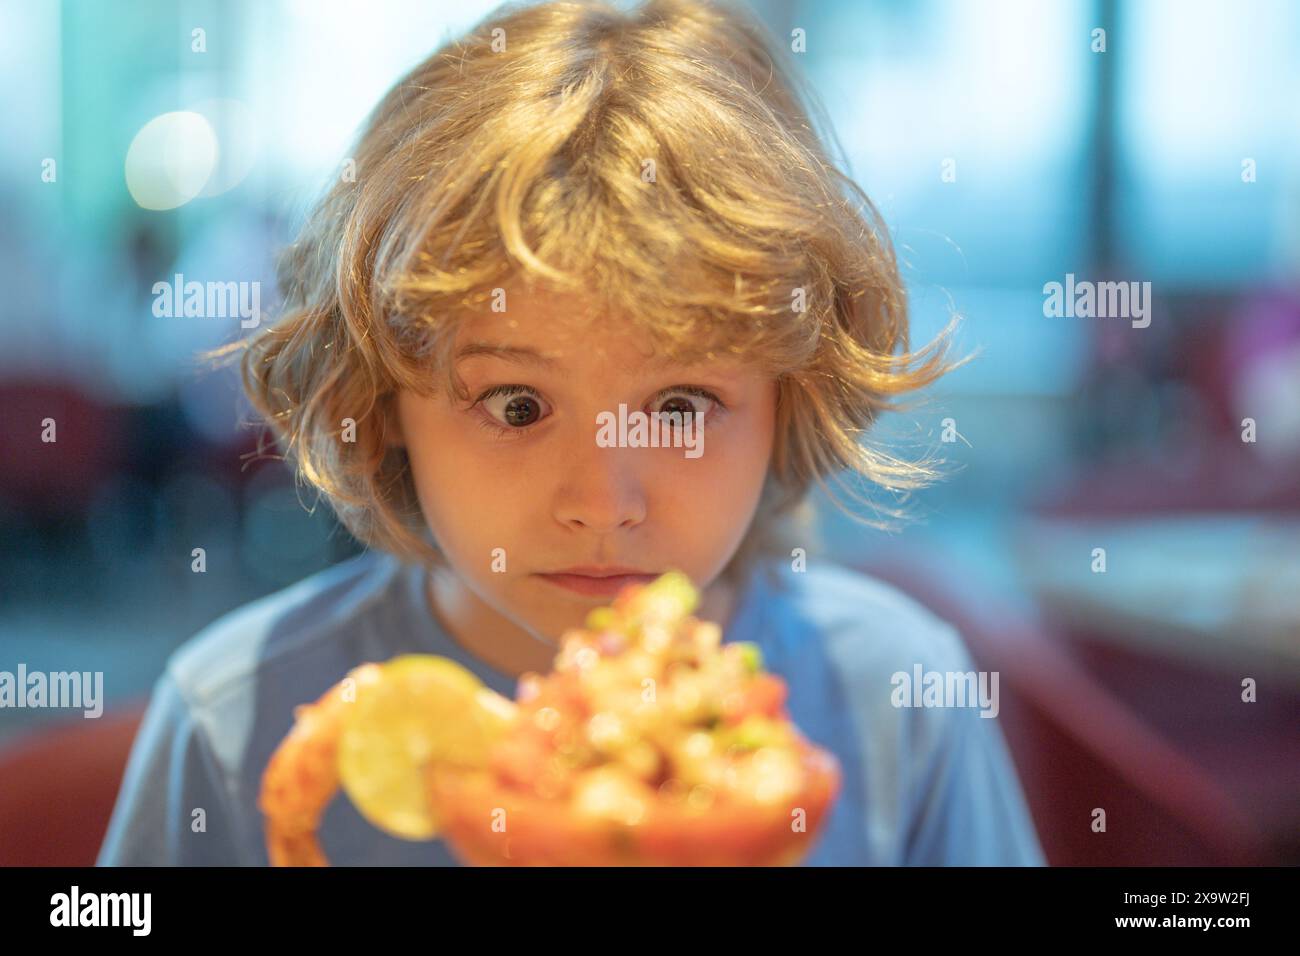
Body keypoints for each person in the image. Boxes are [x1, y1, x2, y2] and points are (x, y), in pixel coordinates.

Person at [98, 0, 1045, 866]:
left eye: (680, 409)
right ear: (383, 403)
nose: (602, 502)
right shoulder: (233, 721)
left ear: (792, 404)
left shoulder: (902, 703)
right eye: (516, 405)